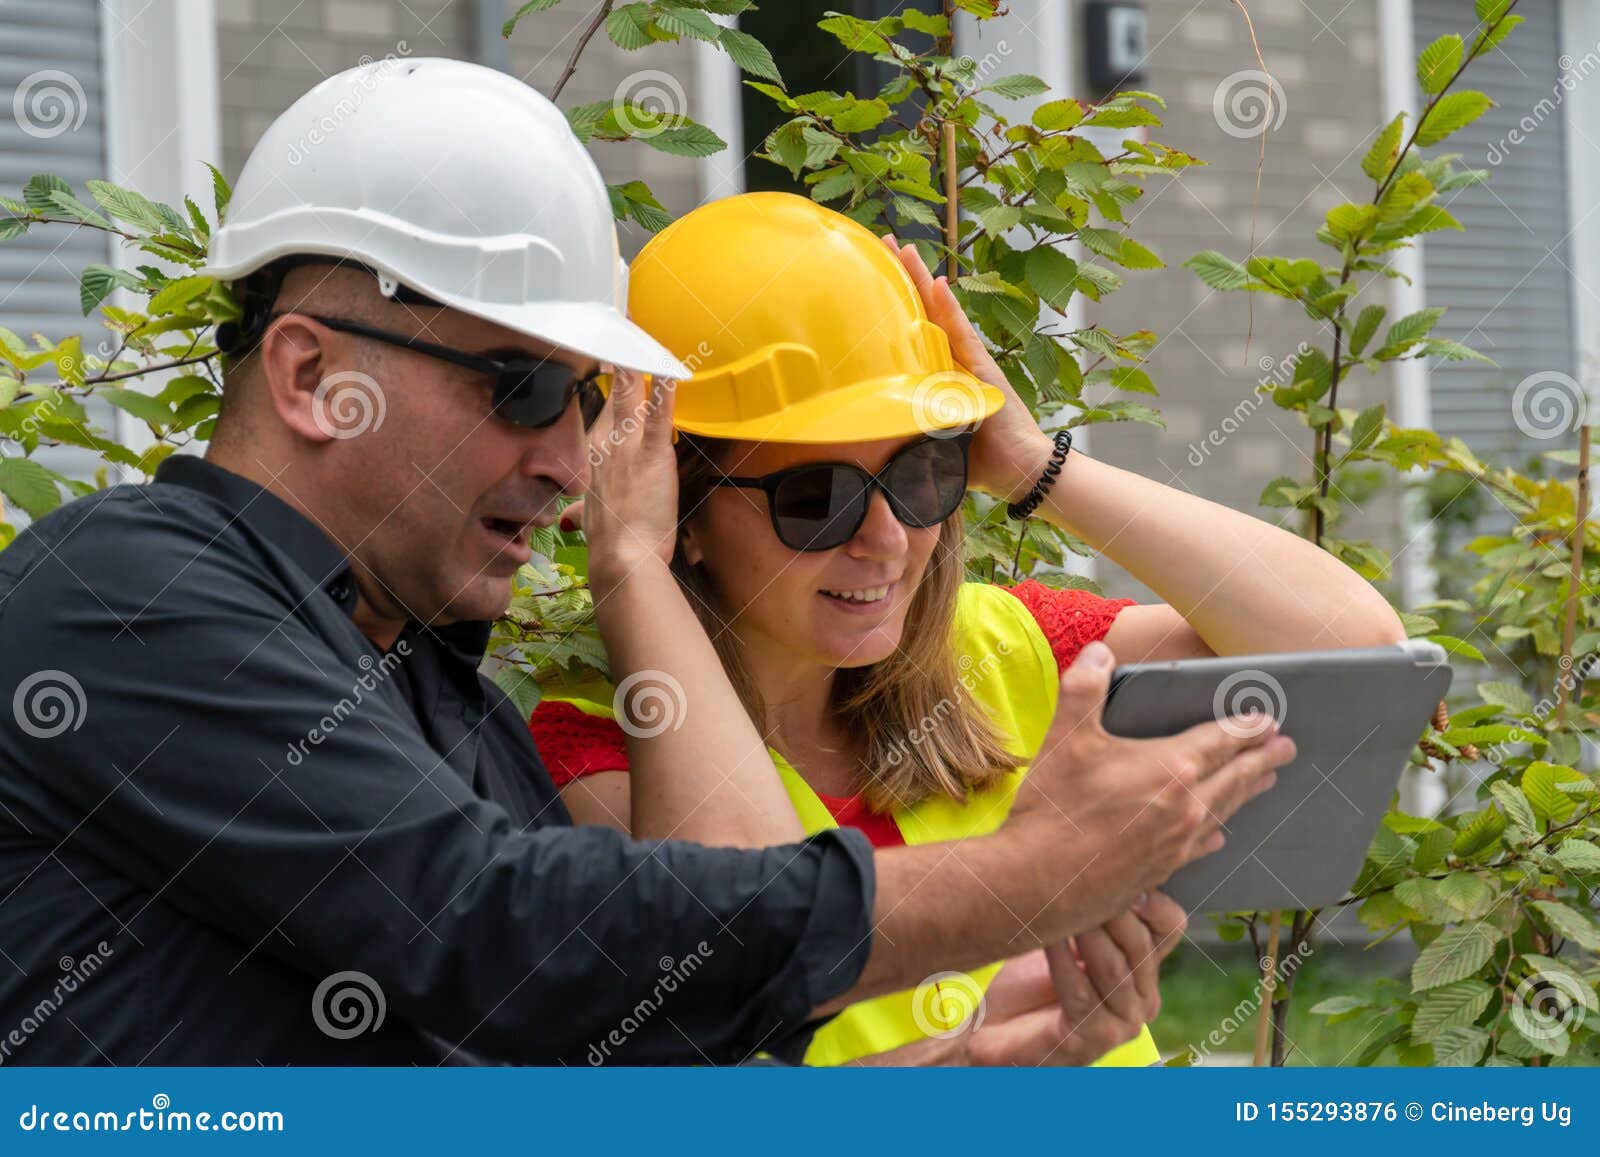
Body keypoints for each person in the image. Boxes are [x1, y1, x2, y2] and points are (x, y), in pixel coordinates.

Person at [0, 62, 1294, 1066]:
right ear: (307, 373)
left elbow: (656, 1060)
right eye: (520, 386)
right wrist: (1036, 872)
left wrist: (973, 1071)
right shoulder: (128, 594)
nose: (572, 460)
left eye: (582, 399)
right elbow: (499, 928)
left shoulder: (442, 710)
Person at [532, 192, 1408, 1065]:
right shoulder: (608, 744)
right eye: (818, 498)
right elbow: (745, 945)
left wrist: (1035, 467)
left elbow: (1355, 643)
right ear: (677, 508)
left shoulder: (1000, 645)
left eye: (922, 474)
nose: (888, 540)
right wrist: (630, 564)